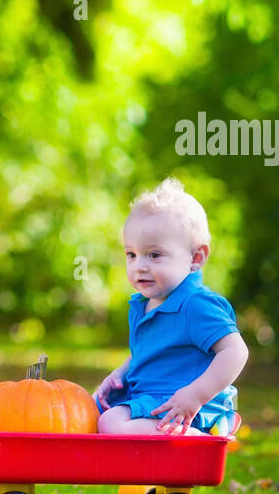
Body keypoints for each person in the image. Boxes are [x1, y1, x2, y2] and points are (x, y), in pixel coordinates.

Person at [94, 177, 249, 436]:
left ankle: (201, 440)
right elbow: (148, 351)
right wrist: (120, 372)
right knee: (91, 410)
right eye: (131, 254)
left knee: (111, 425)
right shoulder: (144, 304)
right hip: (151, 398)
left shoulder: (195, 305)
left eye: (154, 255)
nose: (139, 266)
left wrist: (196, 395)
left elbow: (235, 351)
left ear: (196, 258)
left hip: (183, 405)